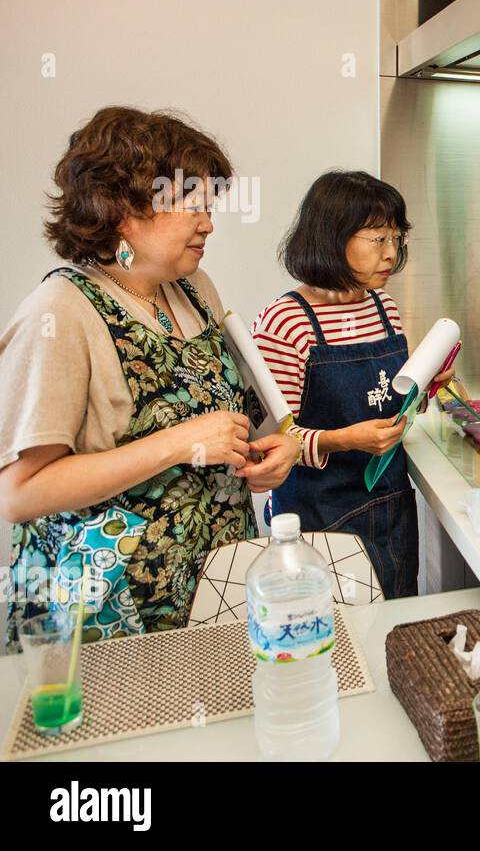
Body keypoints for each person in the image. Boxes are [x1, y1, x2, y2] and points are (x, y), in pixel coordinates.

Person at [0, 107, 298, 648]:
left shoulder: (194, 288)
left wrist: (267, 455)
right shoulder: (61, 311)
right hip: (115, 614)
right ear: (122, 210)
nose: (208, 223)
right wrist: (177, 444)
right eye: (192, 206)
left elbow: (231, 416)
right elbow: (18, 494)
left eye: (210, 207)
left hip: (216, 589)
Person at [252, 171, 450, 599]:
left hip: (391, 506)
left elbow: (392, 406)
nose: (391, 254)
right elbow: (271, 439)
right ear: (332, 237)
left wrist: (425, 389)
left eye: (396, 240)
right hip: (319, 517)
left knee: (396, 624)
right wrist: (343, 440)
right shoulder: (286, 322)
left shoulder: (384, 307)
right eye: (378, 239)